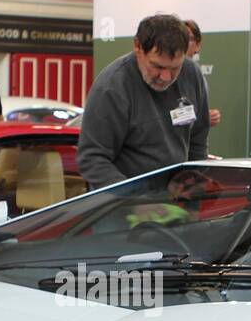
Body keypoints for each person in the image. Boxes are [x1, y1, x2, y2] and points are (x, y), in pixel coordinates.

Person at [77, 13, 210, 189]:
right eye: (158, 66)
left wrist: (193, 186)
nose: (166, 77)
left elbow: (198, 142)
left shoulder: (192, 75)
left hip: (175, 203)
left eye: (175, 68)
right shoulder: (113, 88)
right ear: (138, 47)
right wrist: (133, 202)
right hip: (123, 206)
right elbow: (92, 159)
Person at [183, 19, 221, 127]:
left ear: (198, 44)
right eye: (180, 38)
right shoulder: (166, 74)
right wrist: (202, 116)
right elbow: (164, 116)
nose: (183, 43)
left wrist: (206, 117)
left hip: (191, 142)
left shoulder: (198, 76)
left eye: (189, 39)